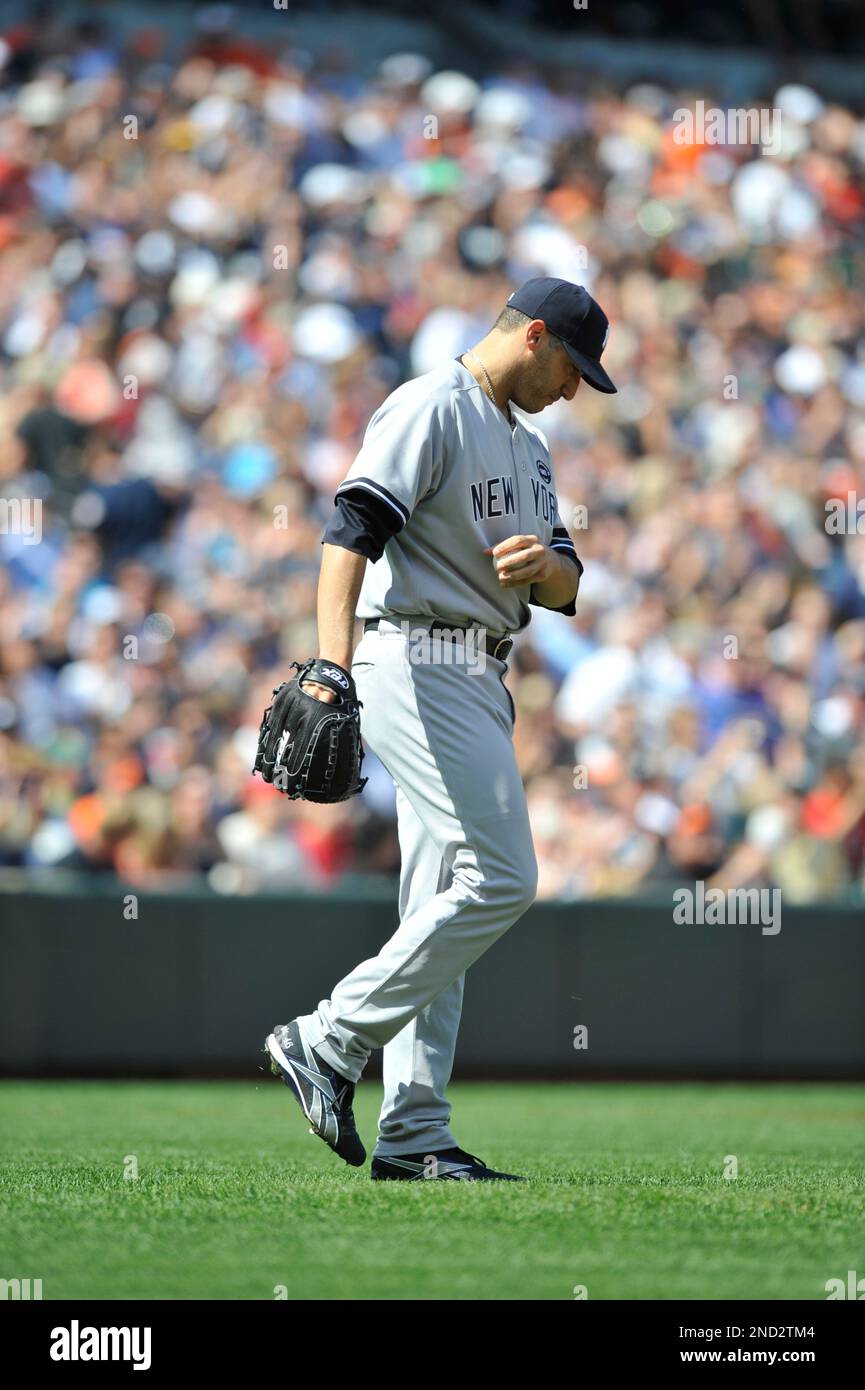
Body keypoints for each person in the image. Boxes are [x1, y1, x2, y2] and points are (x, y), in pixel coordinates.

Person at [266, 278, 617, 1180]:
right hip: (415, 656)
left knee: (442, 905)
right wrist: (330, 665)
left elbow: (569, 586)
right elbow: (348, 534)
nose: (576, 388)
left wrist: (547, 566)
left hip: (479, 667)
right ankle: (328, 1037)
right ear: (532, 335)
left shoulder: (529, 444)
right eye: (572, 367)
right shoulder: (431, 405)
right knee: (503, 878)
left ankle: (413, 1133)